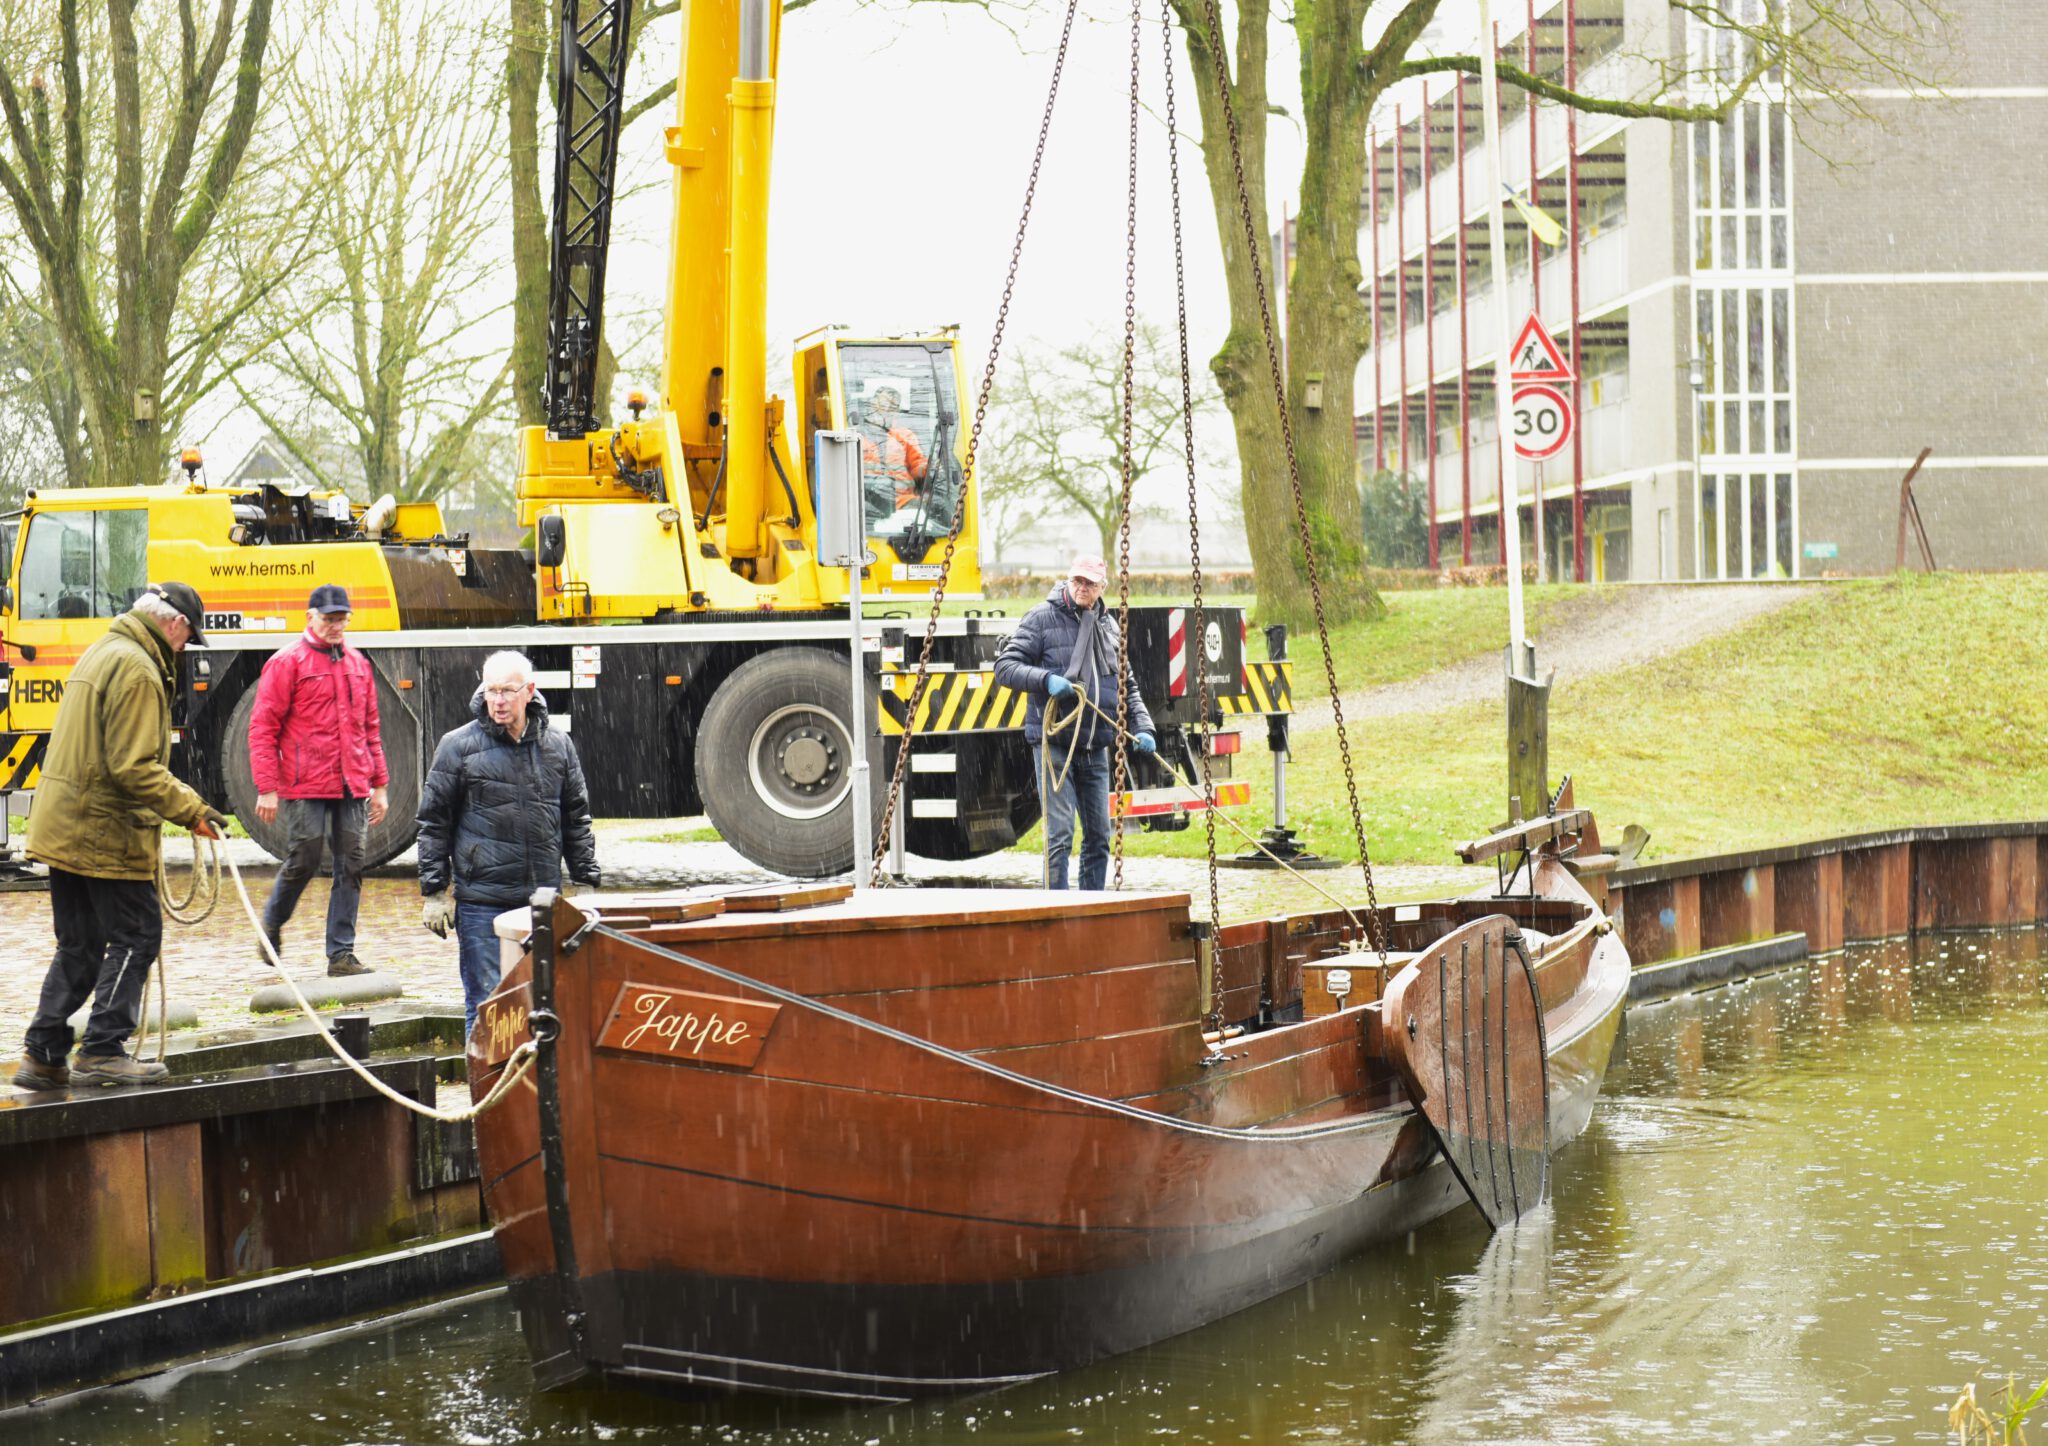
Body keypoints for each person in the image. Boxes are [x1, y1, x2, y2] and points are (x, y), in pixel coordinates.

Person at [12, 583, 229, 1089]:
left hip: (64, 825)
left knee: (81, 946)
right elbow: (133, 767)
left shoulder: (104, 650)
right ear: (173, 623)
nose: (184, 649)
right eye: (187, 638)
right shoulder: (138, 669)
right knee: (138, 934)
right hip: (101, 831)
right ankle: (103, 1049)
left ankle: (43, 1053)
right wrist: (192, 810)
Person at [416, 650, 601, 1036]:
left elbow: (576, 818)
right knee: (487, 1006)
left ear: (529, 691)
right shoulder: (458, 747)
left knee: (544, 1004)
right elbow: (434, 822)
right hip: (483, 902)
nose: (498, 701)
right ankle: (486, 1093)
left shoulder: (558, 746)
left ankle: (533, 1092)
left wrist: (584, 882)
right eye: (491, 691)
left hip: (542, 902)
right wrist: (434, 890)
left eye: (507, 691)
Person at [247, 583, 389, 977]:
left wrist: (380, 785)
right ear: (310, 618)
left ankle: (341, 954)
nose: (336, 625)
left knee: (352, 865)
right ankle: (272, 924)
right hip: (303, 782)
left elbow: (370, 729)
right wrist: (267, 788)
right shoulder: (286, 663)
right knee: (304, 858)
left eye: (341, 618)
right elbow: (262, 728)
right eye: (328, 618)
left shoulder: (358, 665)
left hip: (351, 781)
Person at [992, 556, 1157, 891]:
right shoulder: (1041, 618)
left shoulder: (1108, 626)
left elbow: (1128, 686)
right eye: (1078, 581)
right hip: (1055, 745)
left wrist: (1144, 727)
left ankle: (1090, 910)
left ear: (1101, 588)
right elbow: (1005, 666)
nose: (1083, 588)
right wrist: (1045, 679)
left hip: (1095, 748)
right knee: (1060, 836)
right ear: (1068, 581)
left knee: (1098, 837)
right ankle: (1056, 914)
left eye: (1090, 583)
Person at [857, 384, 928, 525]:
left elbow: (918, 466)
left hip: (903, 503)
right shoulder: (855, 436)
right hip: (864, 502)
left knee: (930, 509)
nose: (887, 408)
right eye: (884, 403)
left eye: (893, 405)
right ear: (872, 403)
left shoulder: (905, 435)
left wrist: (930, 468)